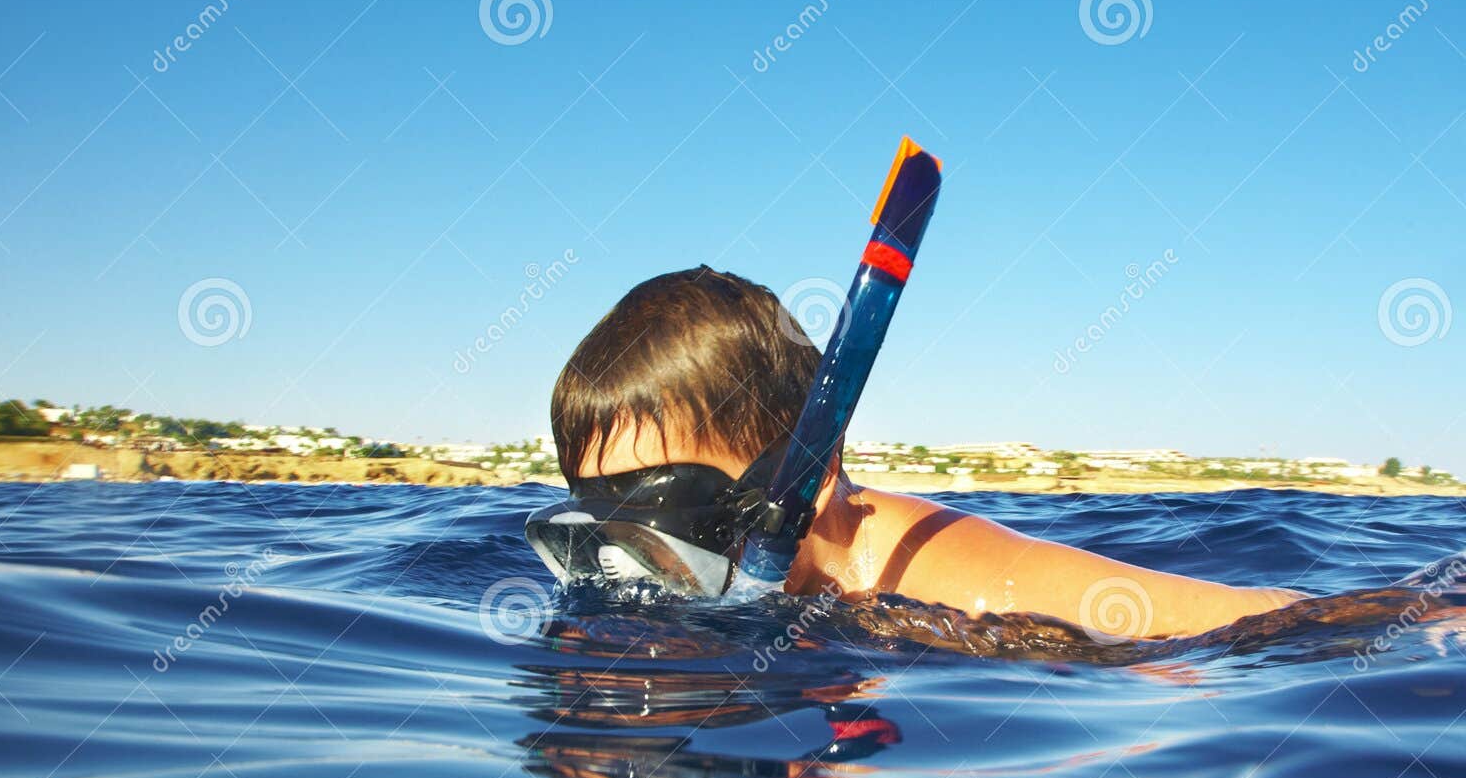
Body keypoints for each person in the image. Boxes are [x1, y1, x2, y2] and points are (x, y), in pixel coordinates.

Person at [544, 267, 1302, 639]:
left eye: (671, 515)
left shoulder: (961, 581)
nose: (630, 563)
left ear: (809, 474)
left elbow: (1247, 626)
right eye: (602, 526)